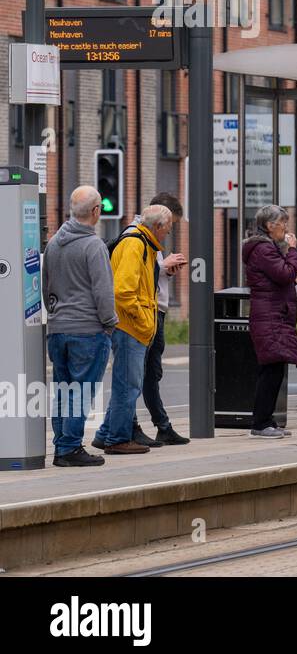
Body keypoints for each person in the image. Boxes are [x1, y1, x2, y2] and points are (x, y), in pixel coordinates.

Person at [44, 186, 117, 467]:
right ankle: (70, 448)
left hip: (58, 328)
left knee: (62, 389)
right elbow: (103, 292)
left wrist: (55, 315)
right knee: (82, 391)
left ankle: (61, 444)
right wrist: (109, 324)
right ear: (96, 211)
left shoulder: (53, 243)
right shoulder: (93, 245)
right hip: (88, 330)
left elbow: (47, 284)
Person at [92, 205, 173, 455]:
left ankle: (105, 433)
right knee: (128, 385)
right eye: (168, 229)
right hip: (130, 327)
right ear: (158, 227)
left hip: (131, 326)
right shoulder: (135, 245)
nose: (168, 234)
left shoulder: (143, 244)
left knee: (125, 383)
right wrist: (143, 319)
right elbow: (123, 291)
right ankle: (117, 438)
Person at [129, 192, 189, 447]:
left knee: (150, 372)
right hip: (145, 313)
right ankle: (129, 427)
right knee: (134, 373)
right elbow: (132, 278)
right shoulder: (136, 237)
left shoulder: (148, 238)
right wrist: (164, 266)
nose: (169, 232)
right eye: (170, 225)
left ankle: (162, 426)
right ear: (159, 218)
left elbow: (151, 274)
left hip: (157, 310)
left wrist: (166, 270)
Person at [242, 205, 297, 439]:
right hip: (270, 316)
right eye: (282, 223)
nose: (285, 228)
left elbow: (282, 276)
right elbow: (284, 274)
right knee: (271, 369)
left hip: (275, 314)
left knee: (275, 368)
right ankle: (260, 423)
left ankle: (267, 419)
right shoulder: (264, 249)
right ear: (269, 226)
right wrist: (293, 251)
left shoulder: (266, 248)